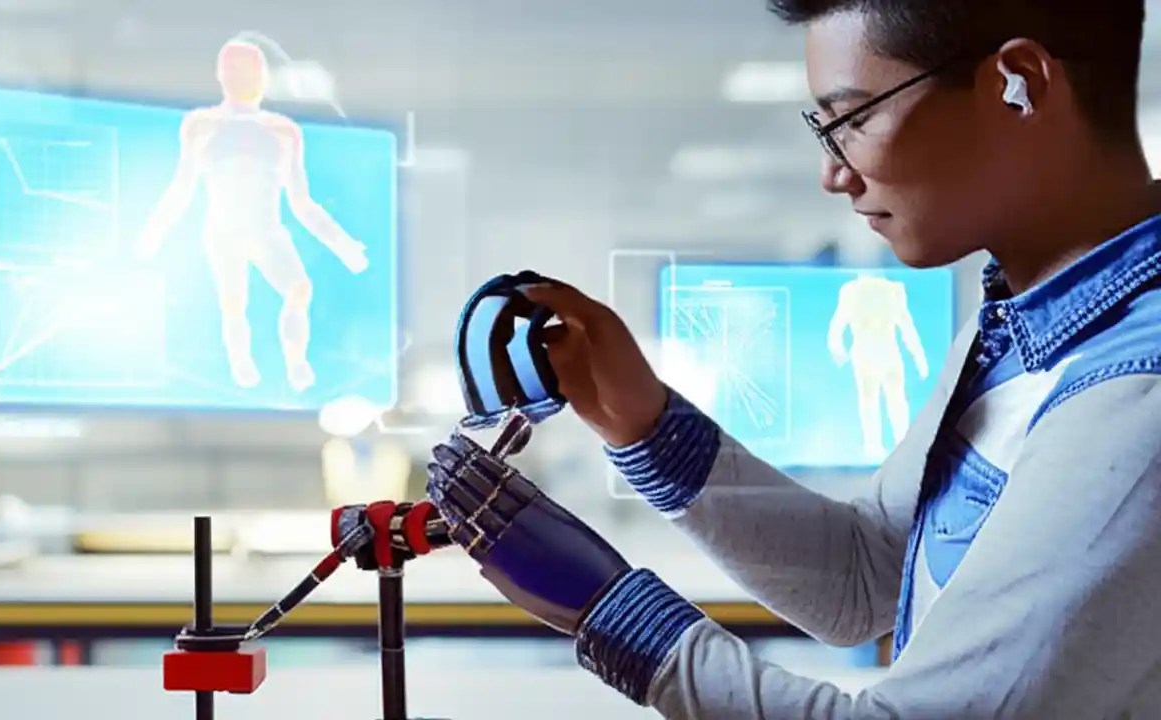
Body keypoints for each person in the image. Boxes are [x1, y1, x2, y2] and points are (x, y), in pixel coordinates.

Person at [426, 1, 1161, 716]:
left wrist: (606, 607)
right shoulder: (1018, 324)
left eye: (851, 119)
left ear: (1019, 85)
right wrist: (645, 426)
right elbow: (862, 578)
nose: (832, 173)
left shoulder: (1136, 392)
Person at [138, 39, 368, 392]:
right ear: (222, 75)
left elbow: (301, 202)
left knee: (299, 288)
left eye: (252, 70)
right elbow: (182, 188)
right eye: (237, 70)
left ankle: (295, 362)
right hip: (224, 231)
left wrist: (343, 244)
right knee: (233, 302)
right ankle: (241, 362)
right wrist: (153, 233)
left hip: (266, 230)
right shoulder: (202, 125)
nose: (245, 77)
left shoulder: (283, 131)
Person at [827, 272, 929, 457]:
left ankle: (899, 444)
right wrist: (836, 348)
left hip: (886, 351)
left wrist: (919, 357)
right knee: (871, 399)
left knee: (893, 398)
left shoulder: (892, 290)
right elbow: (837, 326)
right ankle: (873, 445)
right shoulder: (852, 291)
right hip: (866, 352)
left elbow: (907, 327)